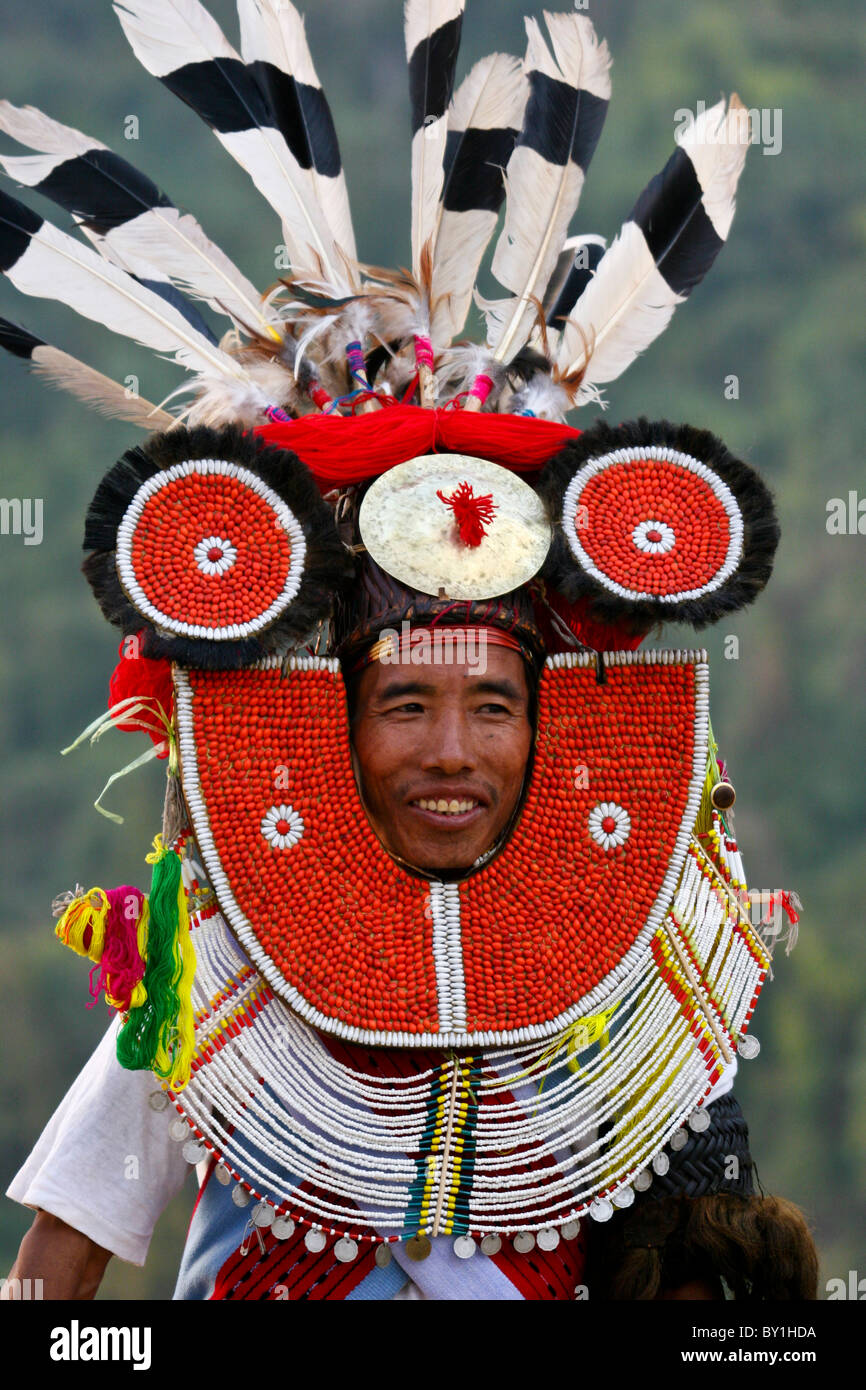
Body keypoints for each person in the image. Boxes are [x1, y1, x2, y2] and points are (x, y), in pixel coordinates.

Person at [1, 1, 817, 1300]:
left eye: (492, 705)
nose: (452, 750)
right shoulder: (217, 979)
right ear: (338, 720)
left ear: (542, 724)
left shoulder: (640, 978)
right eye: (404, 704)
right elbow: (48, 1285)